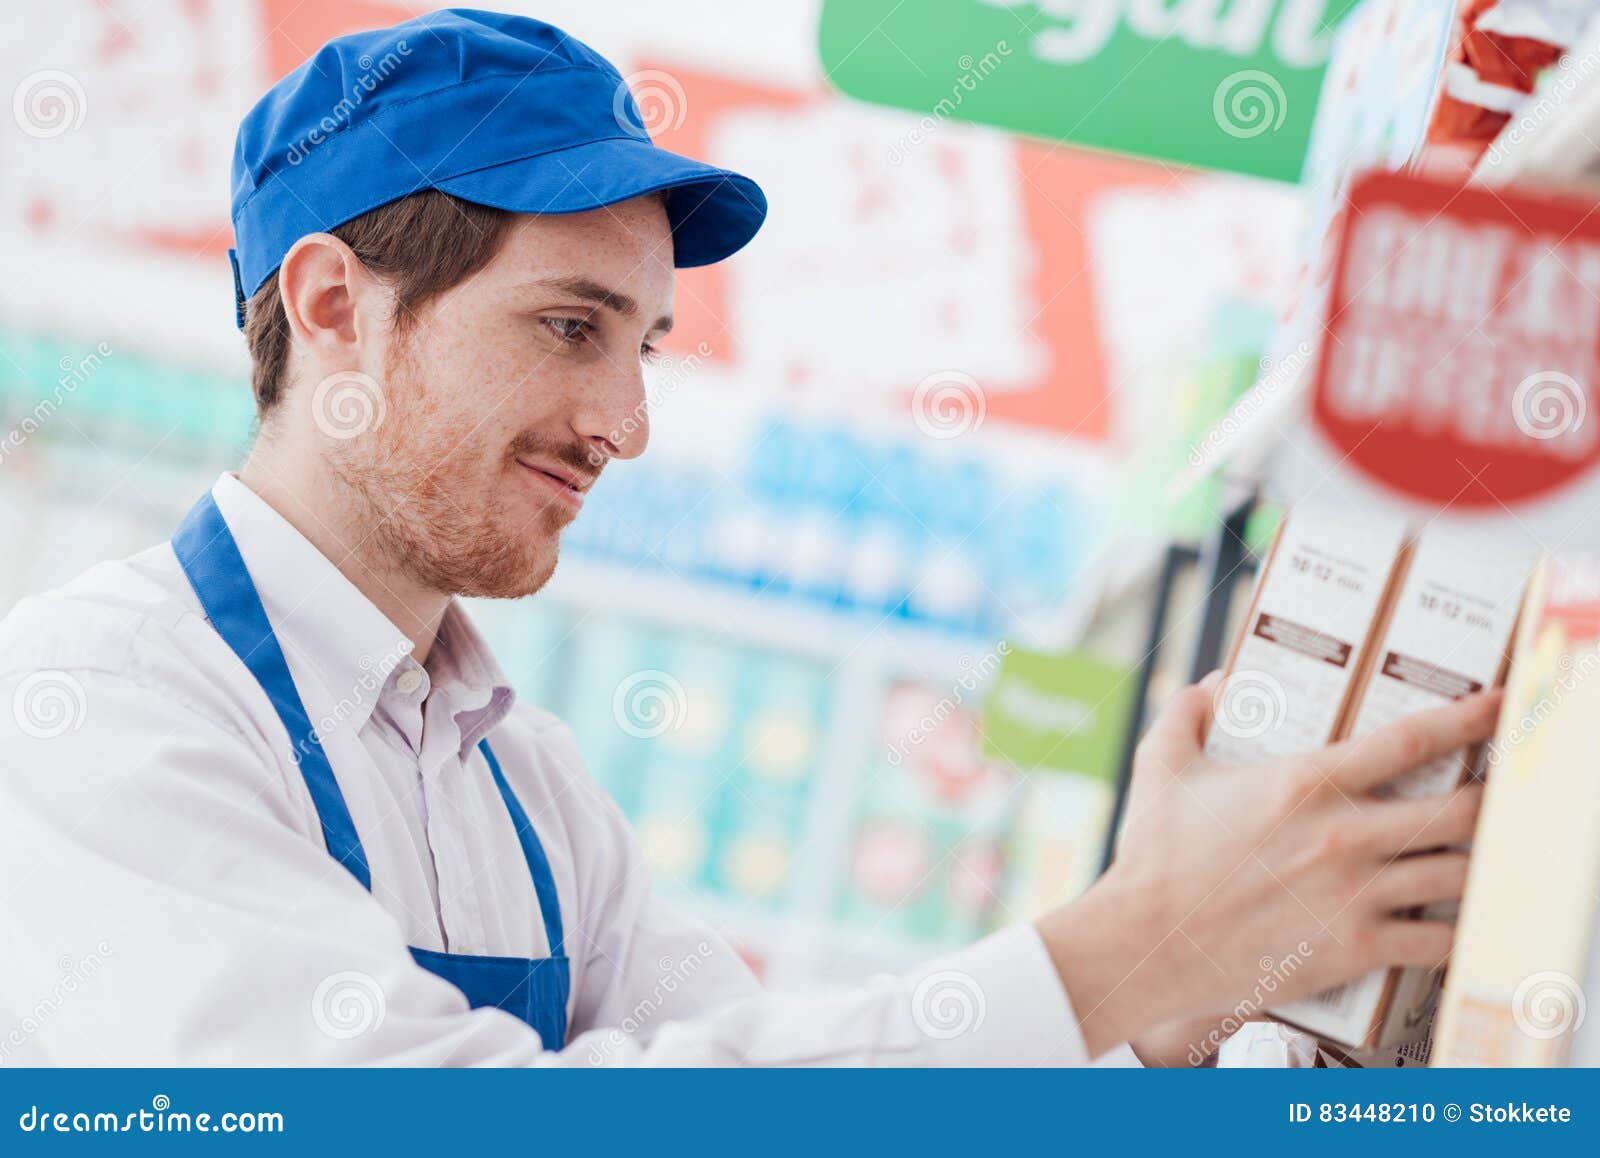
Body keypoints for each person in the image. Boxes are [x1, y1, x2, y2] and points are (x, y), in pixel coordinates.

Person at [0, 9, 1491, 1066]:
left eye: (642, 343)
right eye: (569, 327)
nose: (624, 423)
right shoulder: (99, 710)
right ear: (331, 306)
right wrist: (1125, 946)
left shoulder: (524, 782)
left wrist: (1171, 1008)